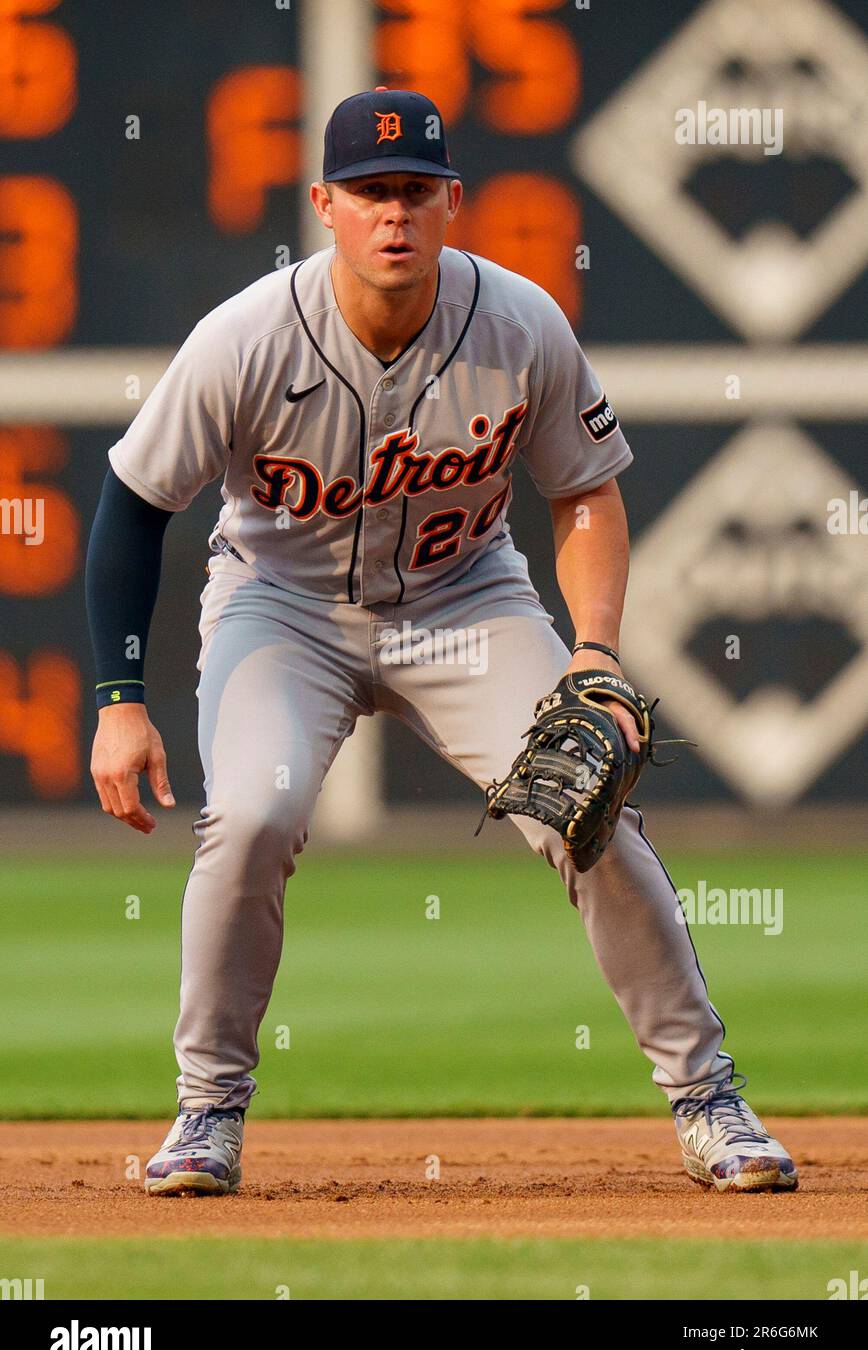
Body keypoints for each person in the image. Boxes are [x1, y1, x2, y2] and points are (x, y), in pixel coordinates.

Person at [86, 88, 797, 1197]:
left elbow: (586, 494)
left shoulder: (518, 322)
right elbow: (133, 503)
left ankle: (708, 1096)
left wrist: (594, 650)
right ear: (322, 203)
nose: (393, 214)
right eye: (369, 192)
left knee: (587, 807)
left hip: (464, 602)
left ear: (453, 201)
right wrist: (118, 697)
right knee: (255, 814)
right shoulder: (245, 337)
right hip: (283, 607)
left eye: (415, 189)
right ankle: (207, 1111)